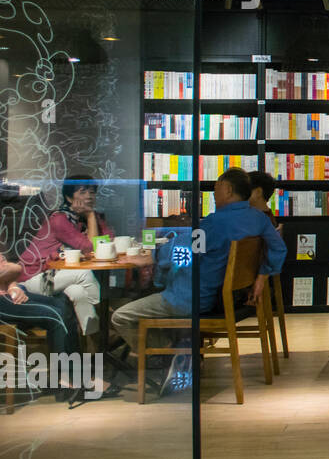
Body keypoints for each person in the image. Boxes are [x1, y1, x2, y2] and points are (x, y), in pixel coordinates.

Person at [109, 168, 287, 376]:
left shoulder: (214, 224)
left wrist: (150, 257)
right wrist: (262, 276)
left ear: (228, 190)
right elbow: (278, 248)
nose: (213, 191)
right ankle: (176, 351)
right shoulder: (258, 219)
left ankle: (167, 356)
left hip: (190, 298)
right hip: (223, 297)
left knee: (121, 316)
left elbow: (185, 248)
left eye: (217, 186)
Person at [1, 252, 116, 402]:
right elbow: (13, 269)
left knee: (63, 305)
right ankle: (67, 380)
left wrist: (12, 287)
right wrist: (8, 272)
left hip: (10, 295)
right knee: (56, 316)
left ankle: (73, 376)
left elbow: (12, 270)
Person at [15, 176, 114, 334]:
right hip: (34, 278)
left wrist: (92, 217)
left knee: (78, 292)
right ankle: (107, 315)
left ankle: (93, 346)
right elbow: (90, 248)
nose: (89, 196)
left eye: (92, 192)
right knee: (84, 274)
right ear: (69, 197)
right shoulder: (60, 219)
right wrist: (89, 217)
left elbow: (107, 241)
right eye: (82, 192)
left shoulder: (90, 217)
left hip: (59, 276)